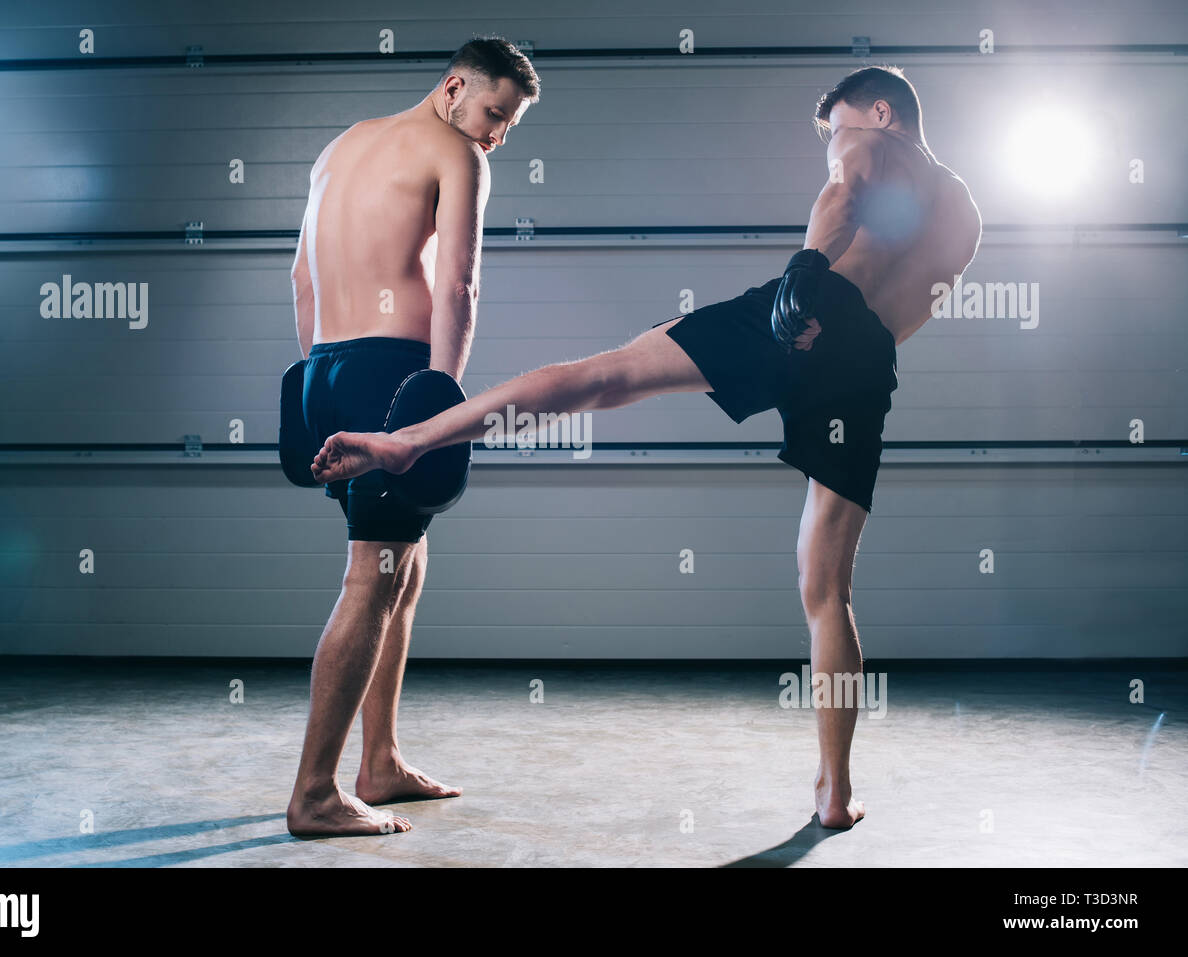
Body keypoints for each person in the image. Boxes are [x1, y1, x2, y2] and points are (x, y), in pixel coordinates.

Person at [311, 66, 982, 830]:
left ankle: (408, 441)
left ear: (881, 111)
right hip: (864, 364)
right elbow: (917, 307)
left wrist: (804, 274)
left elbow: (845, 189)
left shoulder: (873, 144)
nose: (836, 139)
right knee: (830, 590)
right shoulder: (965, 214)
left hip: (801, 312)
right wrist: (851, 359)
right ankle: (835, 792)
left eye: (840, 125)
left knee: (602, 379)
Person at [286, 37, 540, 837]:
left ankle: (381, 761)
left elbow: (300, 277)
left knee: (404, 564)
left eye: (508, 125)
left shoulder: (341, 146)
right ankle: (316, 793)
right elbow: (458, 282)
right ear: (455, 86)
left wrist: (322, 381)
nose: (496, 134)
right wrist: (437, 406)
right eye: (494, 113)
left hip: (327, 364)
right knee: (374, 574)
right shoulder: (456, 155)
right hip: (397, 374)